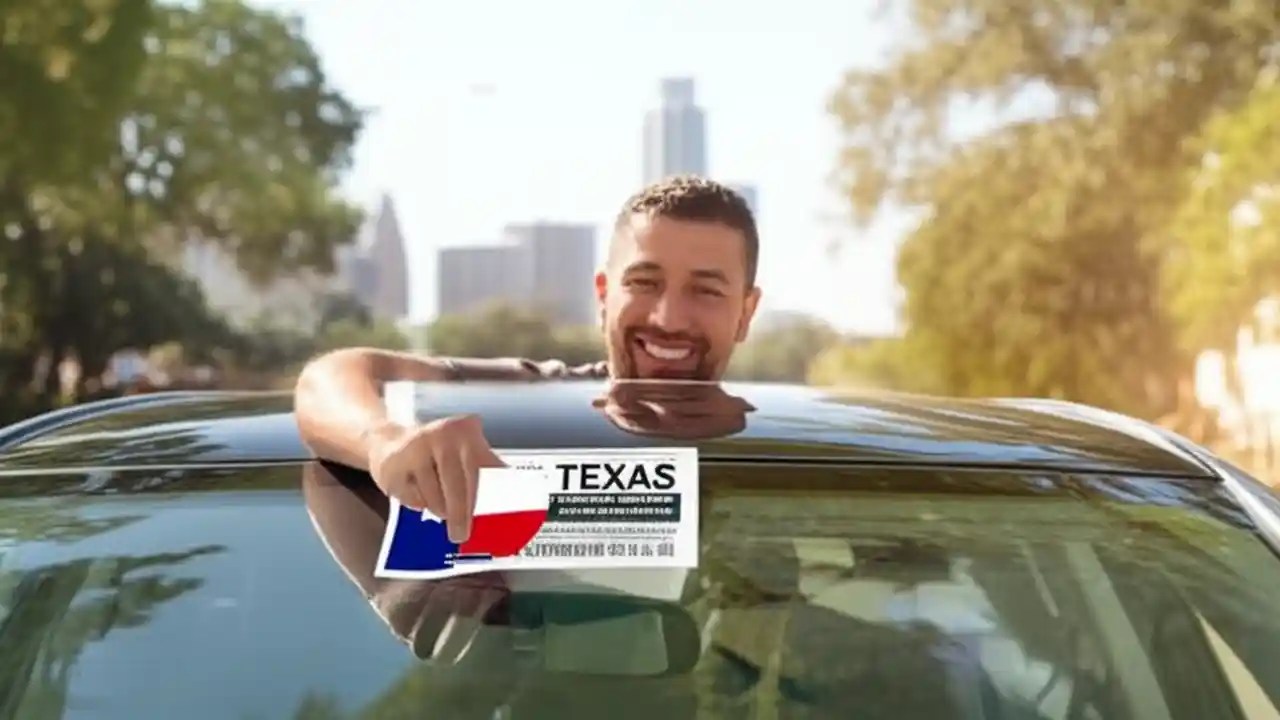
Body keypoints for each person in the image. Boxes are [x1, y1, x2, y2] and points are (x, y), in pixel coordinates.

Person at [294, 175, 763, 542]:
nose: (669, 317)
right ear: (603, 296)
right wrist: (385, 443)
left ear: (746, 313)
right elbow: (330, 378)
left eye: (705, 290)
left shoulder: (801, 454)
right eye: (644, 282)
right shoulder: (522, 403)